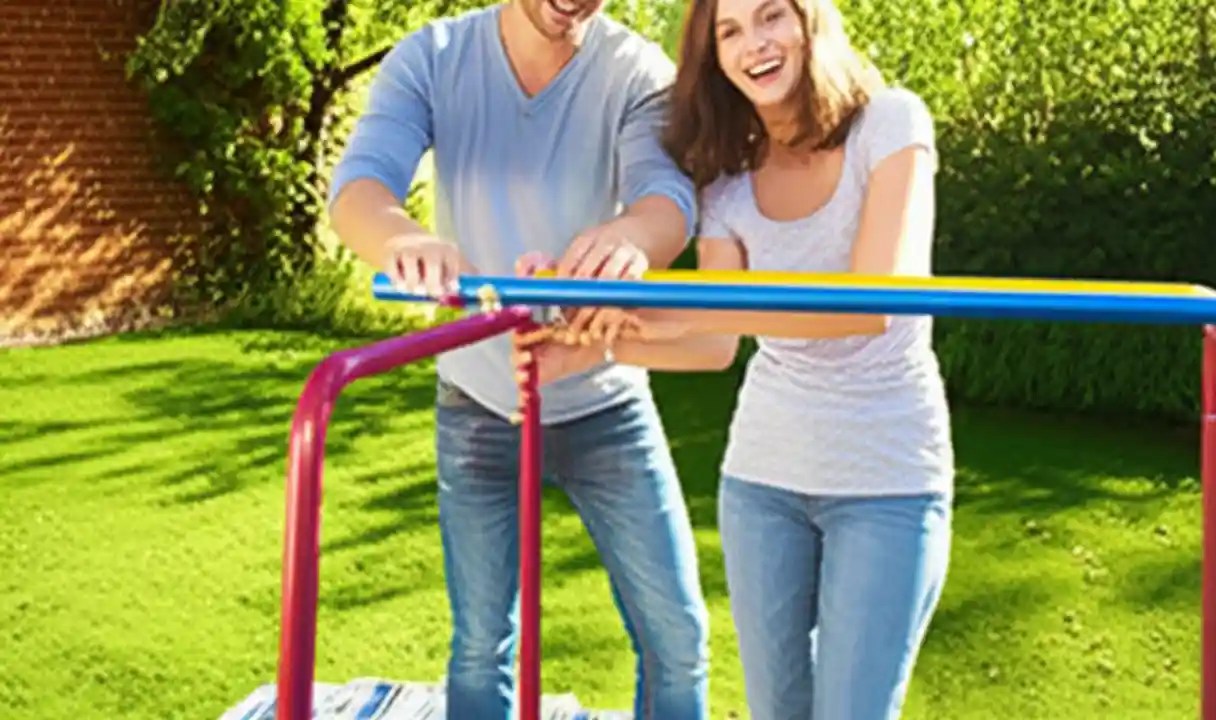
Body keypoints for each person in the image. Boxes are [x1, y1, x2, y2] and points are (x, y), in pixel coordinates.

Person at [516, 0, 954, 717]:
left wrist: (669, 307)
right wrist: (580, 346)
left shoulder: (893, 123)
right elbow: (716, 346)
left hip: (887, 478)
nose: (754, 43)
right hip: (763, 482)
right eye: (729, 30)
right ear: (713, 56)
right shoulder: (727, 180)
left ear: (810, 21)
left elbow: (872, 305)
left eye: (771, 16)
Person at [324, 0, 712, 717]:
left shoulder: (636, 74)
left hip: (607, 406)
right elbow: (360, 188)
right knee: (481, 643)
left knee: (678, 637)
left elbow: (666, 196)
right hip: (479, 406)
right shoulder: (432, 58)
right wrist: (400, 239)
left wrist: (632, 236)